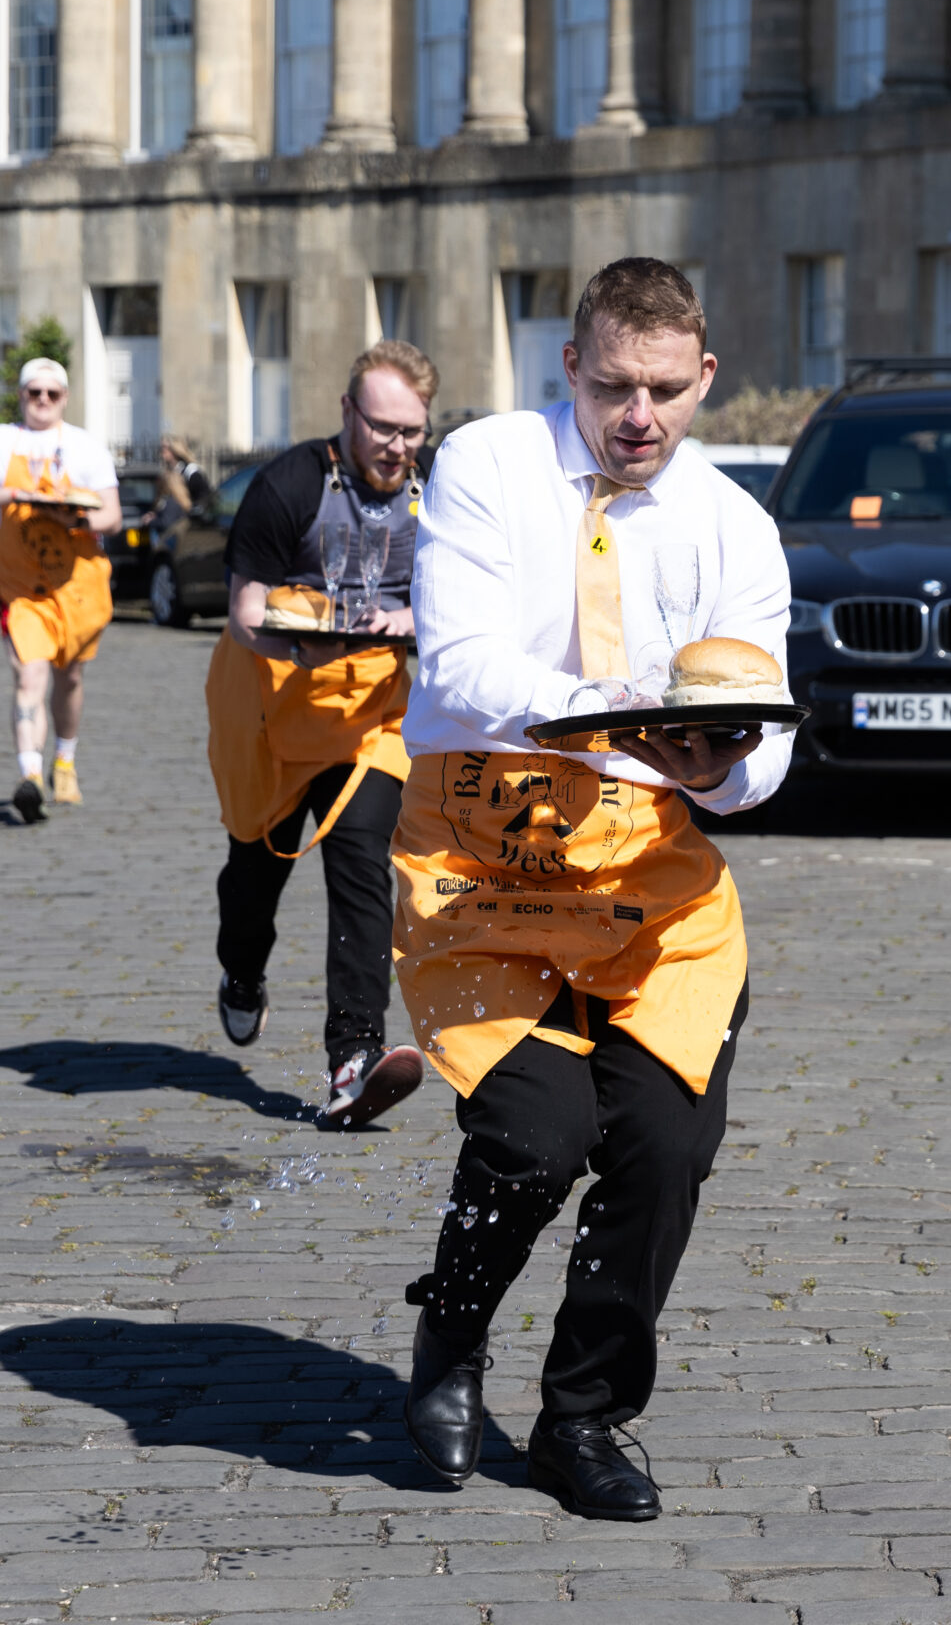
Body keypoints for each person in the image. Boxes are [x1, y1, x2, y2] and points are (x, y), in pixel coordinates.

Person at [392, 258, 793, 1520]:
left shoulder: (734, 524)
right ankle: (452, 1330)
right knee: (533, 1136)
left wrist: (717, 766)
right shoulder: (488, 464)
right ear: (568, 365)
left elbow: (763, 748)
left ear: (704, 377)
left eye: (665, 391)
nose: (638, 416)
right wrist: (616, 715)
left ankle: (584, 1418)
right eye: (614, 385)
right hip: (482, 863)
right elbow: (458, 665)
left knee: (664, 1150)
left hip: (650, 886)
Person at [205, 339, 437, 1129]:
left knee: (363, 862)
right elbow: (246, 613)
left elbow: (468, 596)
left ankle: (355, 1057)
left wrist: (415, 619)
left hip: (369, 715)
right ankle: (241, 973)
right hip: (270, 701)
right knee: (253, 876)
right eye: (382, 427)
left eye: (411, 431)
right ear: (346, 412)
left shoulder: (437, 491)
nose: (397, 446)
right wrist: (299, 646)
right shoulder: (289, 484)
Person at [0, 356, 122, 822]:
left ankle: (64, 761)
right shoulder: (5, 441)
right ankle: (29, 775)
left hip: (76, 586)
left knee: (69, 678)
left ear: (65, 398)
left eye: (52, 393)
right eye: (34, 392)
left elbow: (111, 516)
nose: (43, 400)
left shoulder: (85, 448)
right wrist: (17, 496)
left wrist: (72, 517)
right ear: (22, 395)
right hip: (21, 588)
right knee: (28, 675)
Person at [145, 435, 210, 534]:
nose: (161, 451)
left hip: (187, 524)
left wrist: (192, 513)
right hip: (174, 522)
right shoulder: (170, 470)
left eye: (164, 448)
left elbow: (203, 497)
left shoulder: (190, 471)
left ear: (174, 450)